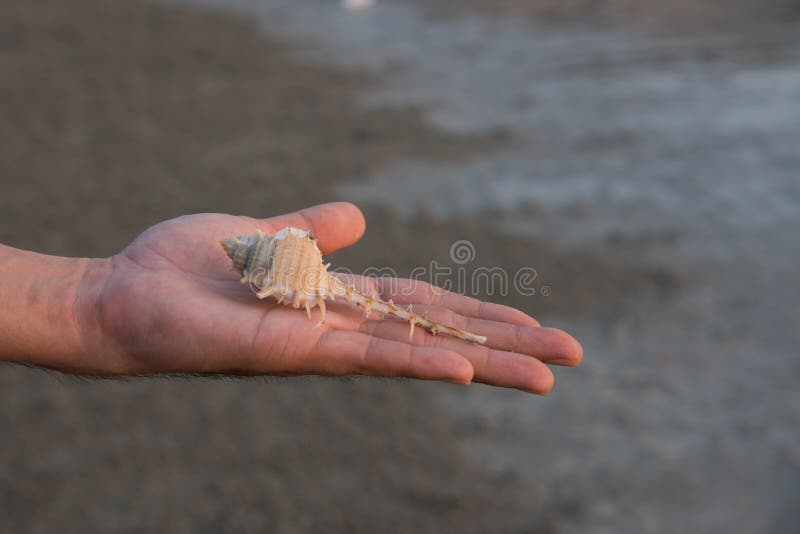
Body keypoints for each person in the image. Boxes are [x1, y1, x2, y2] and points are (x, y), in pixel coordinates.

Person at [0, 202, 581, 394]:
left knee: (379, 307)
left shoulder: (284, 265)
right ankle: (457, 334)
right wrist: (92, 303)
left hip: (298, 274)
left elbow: (305, 262)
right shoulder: (270, 265)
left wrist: (92, 301)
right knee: (379, 308)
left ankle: (456, 333)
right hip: (293, 273)